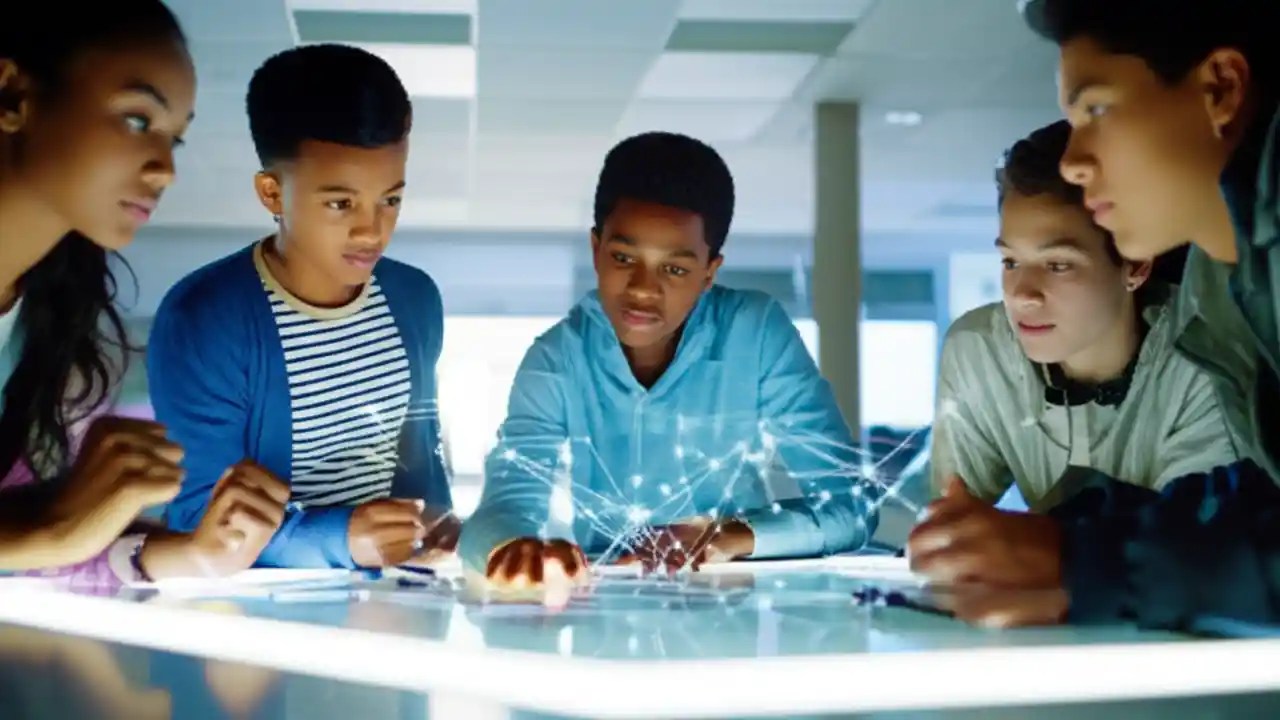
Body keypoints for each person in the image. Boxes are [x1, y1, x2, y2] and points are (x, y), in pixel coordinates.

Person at [906, 0, 1280, 629]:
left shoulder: (1198, 317)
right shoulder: (1219, 293)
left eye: (1096, 110)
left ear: (1221, 88)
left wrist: (1092, 562)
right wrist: (1068, 544)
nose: (1076, 163)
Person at [459, 132, 877, 605]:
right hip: (604, 618)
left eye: (674, 269)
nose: (642, 290)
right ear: (596, 250)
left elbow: (853, 508)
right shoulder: (557, 358)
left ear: (709, 272)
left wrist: (730, 534)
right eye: (623, 258)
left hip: (721, 620)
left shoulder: (755, 334)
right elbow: (501, 509)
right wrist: (510, 547)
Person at [0, 2, 288, 588]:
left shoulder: (42, 311)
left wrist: (197, 552)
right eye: (137, 120)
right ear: (12, 96)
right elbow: (42, 539)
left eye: (175, 140)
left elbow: (32, 548)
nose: (165, 169)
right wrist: (55, 527)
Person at [148, 44, 455, 571]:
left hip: (399, 602)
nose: (371, 229)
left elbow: (421, 463)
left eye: (390, 199)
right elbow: (199, 520)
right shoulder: (203, 319)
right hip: (259, 621)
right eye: (341, 203)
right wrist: (341, 538)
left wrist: (448, 529)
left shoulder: (415, 299)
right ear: (272, 193)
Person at [926, 120, 1251, 511]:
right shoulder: (979, 351)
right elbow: (948, 520)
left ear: (1135, 265)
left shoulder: (1204, 356)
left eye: (1058, 265)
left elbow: (1196, 545)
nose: (1022, 295)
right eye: (1011, 261)